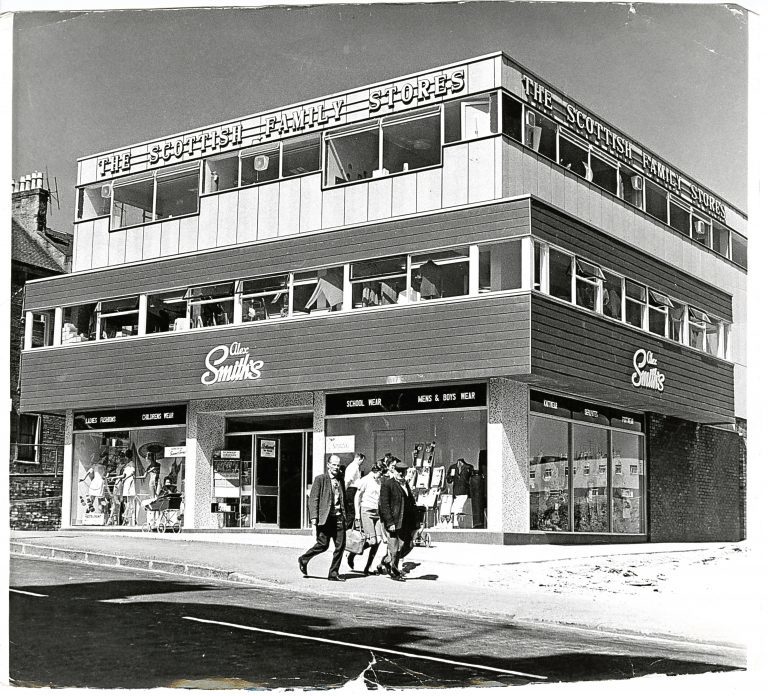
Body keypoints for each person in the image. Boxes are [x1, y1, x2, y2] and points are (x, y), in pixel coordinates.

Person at [298, 455, 347, 582]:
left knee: (340, 546)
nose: (336, 467)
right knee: (323, 545)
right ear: (328, 465)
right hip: (325, 518)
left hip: (338, 517)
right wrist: (314, 517)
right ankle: (304, 559)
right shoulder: (320, 479)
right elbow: (313, 499)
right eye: (334, 465)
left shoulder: (340, 479)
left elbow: (343, 498)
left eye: (338, 465)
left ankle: (333, 573)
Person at [378, 458, 418, 581]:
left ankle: (384, 563)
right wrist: (389, 523)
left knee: (404, 547)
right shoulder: (388, 484)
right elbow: (384, 504)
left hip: (404, 522)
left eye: (403, 471)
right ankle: (394, 573)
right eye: (399, 471)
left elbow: (410, 503)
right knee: (394, 549)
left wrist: (416, 522)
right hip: (393, 522)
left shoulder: (405, 484)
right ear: (394, 470)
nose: (401, 473)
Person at [349, 462, 385, 574]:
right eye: (381, 474)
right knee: (372, 540)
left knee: (378, 541)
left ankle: (367, 567)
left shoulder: (379, 480)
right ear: (376, 471)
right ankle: (353, 552)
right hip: (367, 511)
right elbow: (357, 496)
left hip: (377, 512)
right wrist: (357, 514)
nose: (381, 476)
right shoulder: (366, 480)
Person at [343, 453, 365, 528]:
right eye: (362, 461)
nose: (362, 463)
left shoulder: (355, 466)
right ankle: (347, 529)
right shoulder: (353, 467)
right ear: (359, 459)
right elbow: (349, 480)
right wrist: (344, 490)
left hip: (353, 489)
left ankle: (350, 528)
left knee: (353, 511)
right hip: (351, 489)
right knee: (351, 511)